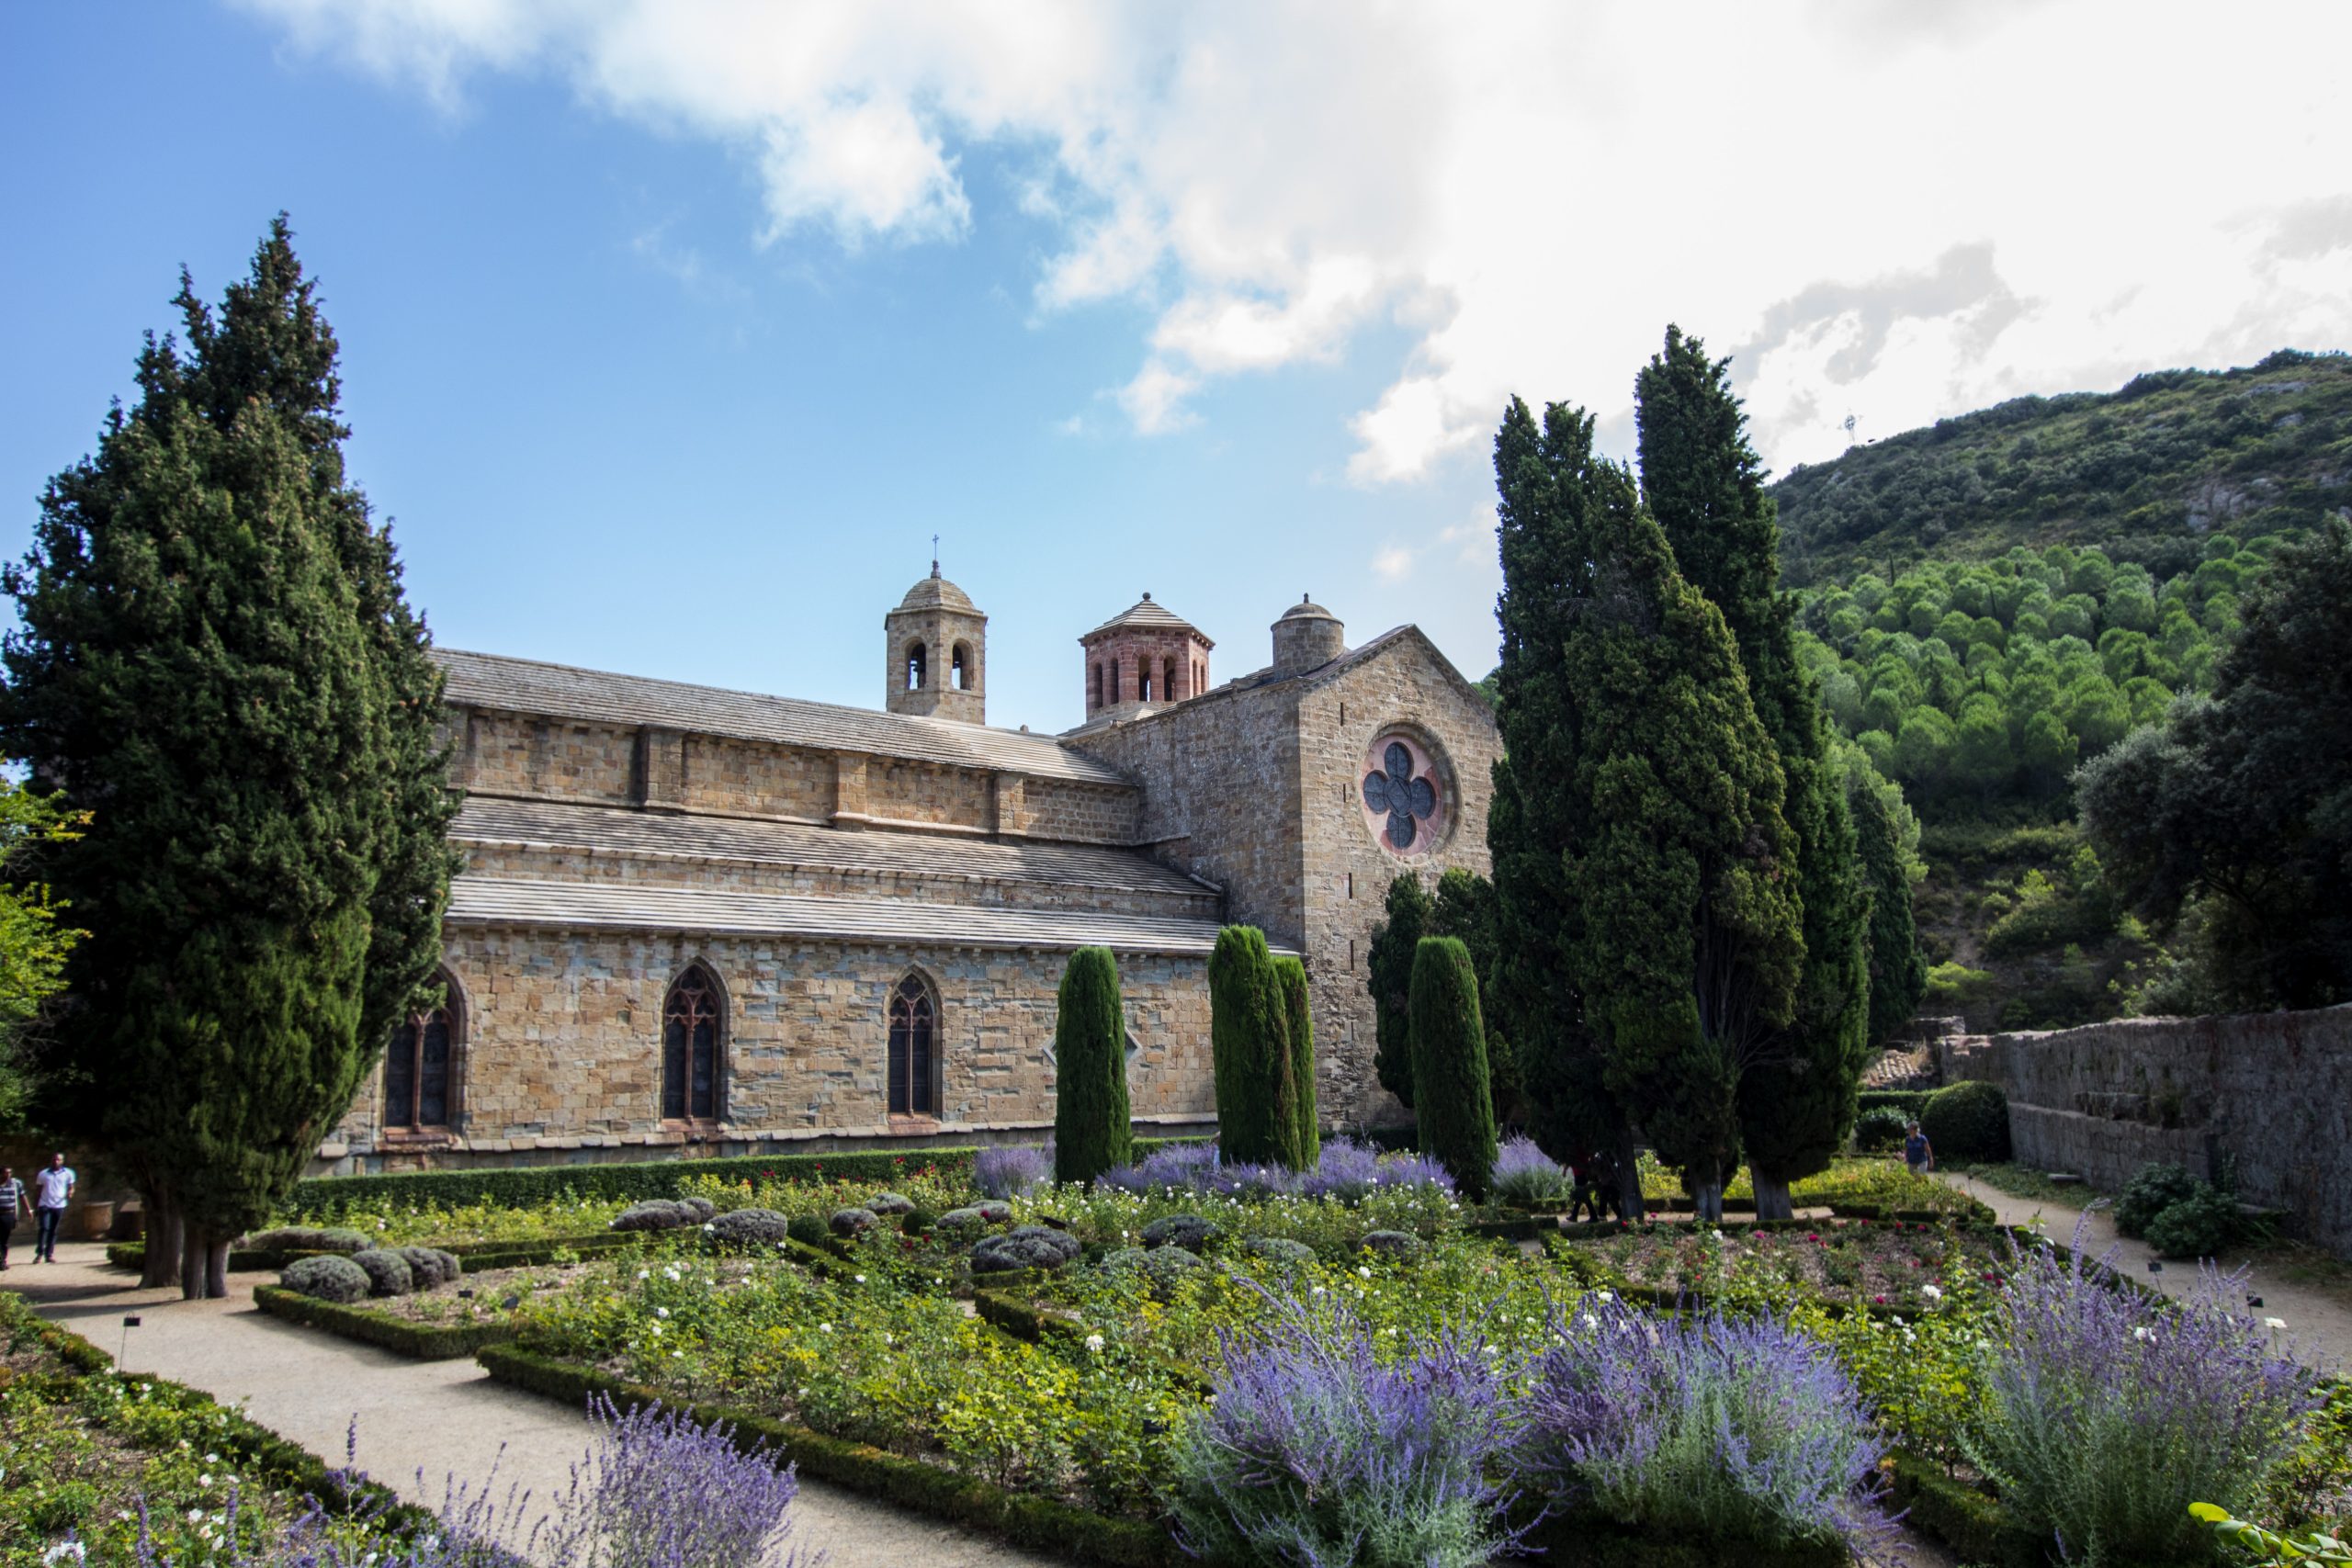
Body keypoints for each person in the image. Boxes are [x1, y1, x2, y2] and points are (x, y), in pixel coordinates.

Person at [31, 1152, 74, 1262]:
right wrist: (36, 1206)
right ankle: (39, 1253)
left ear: (62, 1161)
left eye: (58, 1160)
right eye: (54, 1159)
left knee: (53, 1230)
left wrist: (70, 1193)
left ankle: (49, 1254)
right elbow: (38, 1191)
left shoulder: (68, 1173)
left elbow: (71, 1187)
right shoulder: (43, 1174)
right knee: (44, 1228)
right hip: (45, 1204)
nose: (56, 1161)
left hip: (59, 1205)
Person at [0, 1166, 24, 1269]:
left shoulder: (16, 1184)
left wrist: (29, 1210)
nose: (8, 1175)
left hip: (8, 1215)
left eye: (9, 1173)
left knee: (4, 1240)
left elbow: (22, 1196)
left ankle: (3, 1261)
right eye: (5, 1173)